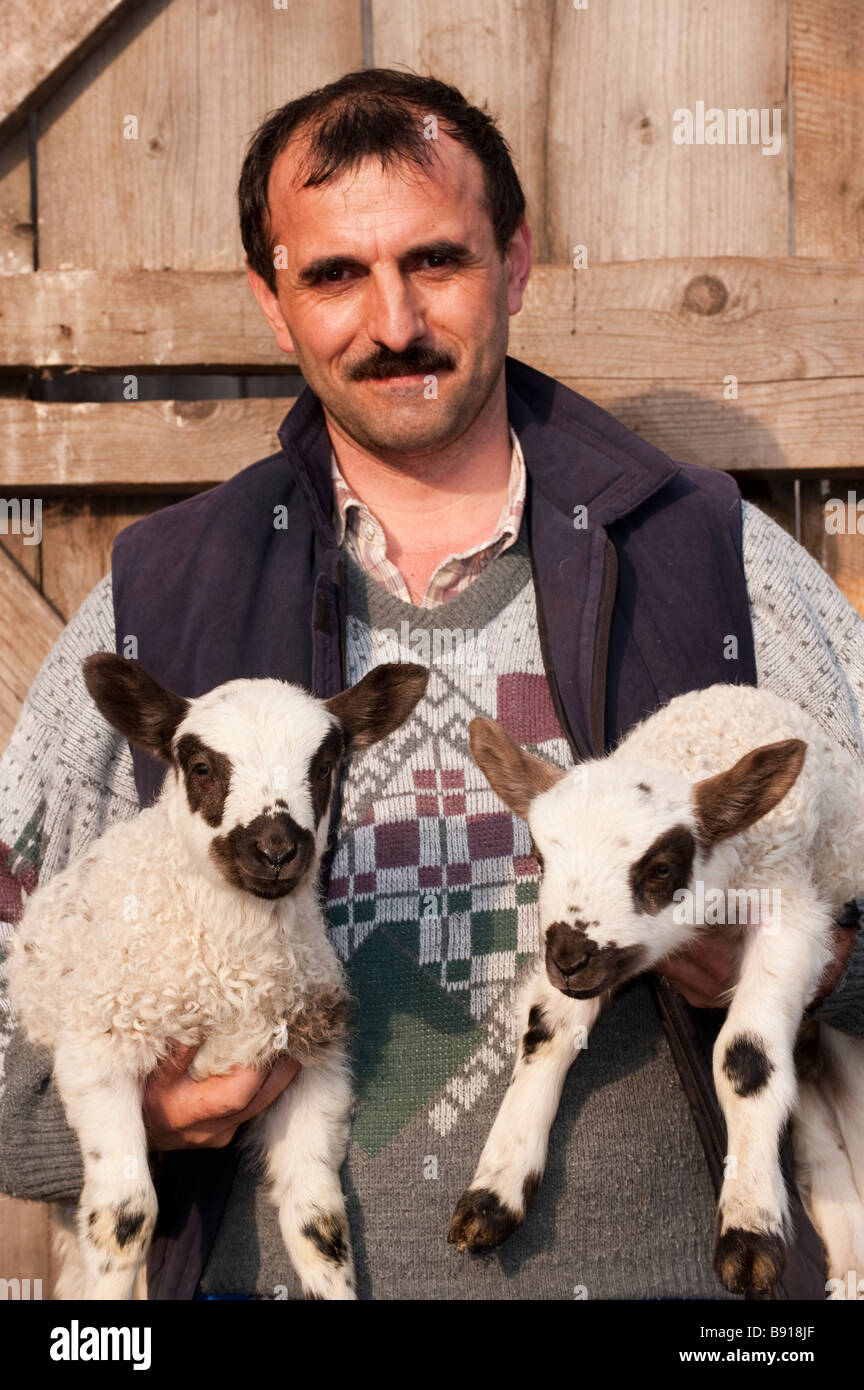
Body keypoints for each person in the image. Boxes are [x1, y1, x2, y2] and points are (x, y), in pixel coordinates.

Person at [1, 67, 862, 1301]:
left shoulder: (716, 561)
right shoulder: (161, 594)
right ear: (270, 299)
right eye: (335, 274)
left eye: (436, 262)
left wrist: (818, 962)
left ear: (514, 265)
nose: (392, 320)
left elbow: (853, 892)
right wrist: (127, 1108)